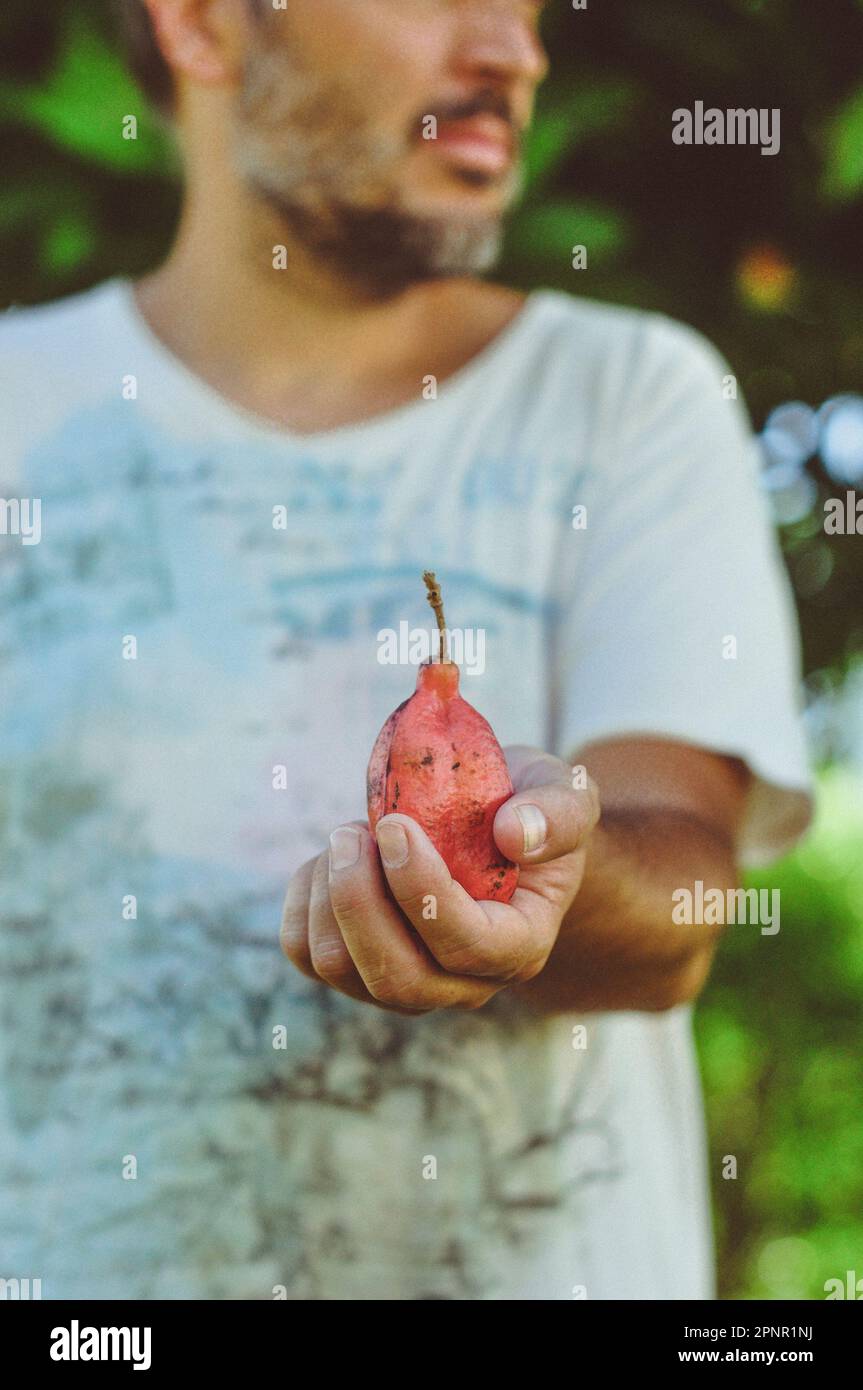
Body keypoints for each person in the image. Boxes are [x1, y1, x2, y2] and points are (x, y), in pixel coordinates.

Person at [0, 0, 813, 1300]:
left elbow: (687, 899)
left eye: (531, 7)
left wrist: (551, 878)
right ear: (203, 25)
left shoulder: (631, 396)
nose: (515, 54)